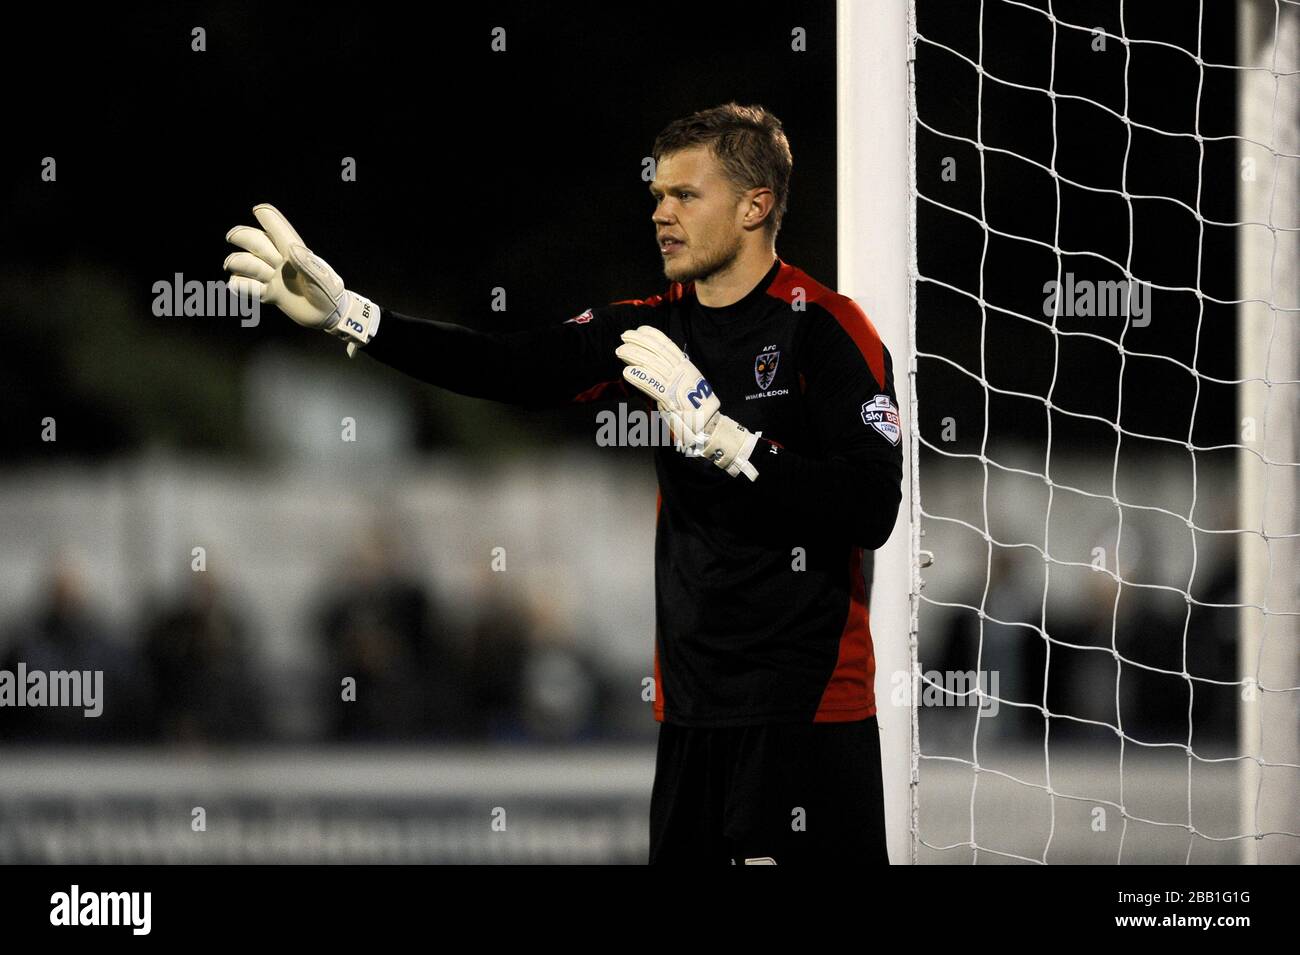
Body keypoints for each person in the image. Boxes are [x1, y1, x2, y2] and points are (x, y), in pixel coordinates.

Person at [223, 102, 903, 864]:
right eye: (656, 195)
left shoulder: (827, 327)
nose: (661, 213)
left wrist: (726, 437)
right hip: (690, 717)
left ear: (755, 205)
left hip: (810, 714)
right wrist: (355, 316)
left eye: (686, 195)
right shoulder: (649, 329)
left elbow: (870, 504)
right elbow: (508, 365)